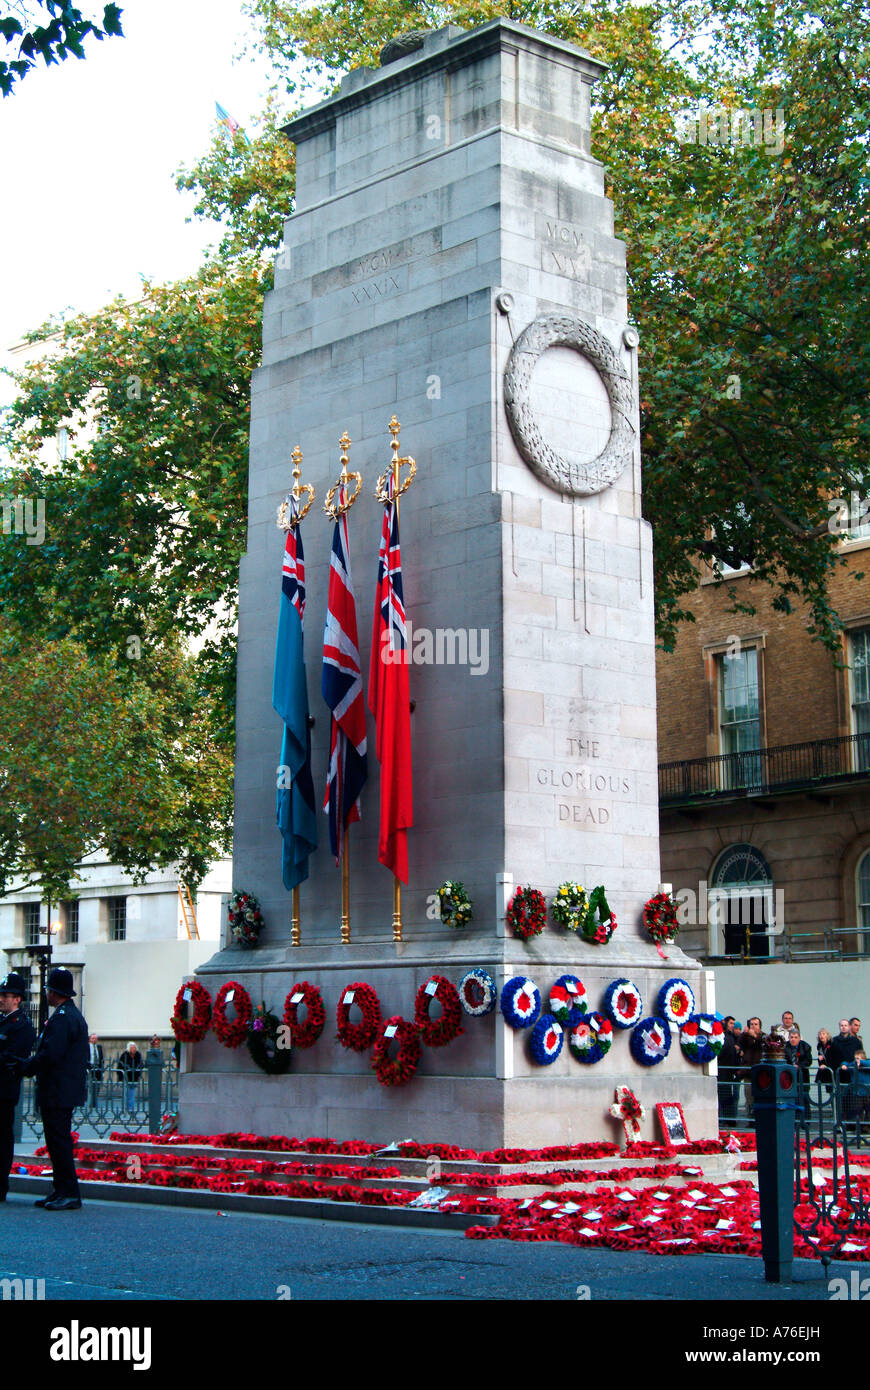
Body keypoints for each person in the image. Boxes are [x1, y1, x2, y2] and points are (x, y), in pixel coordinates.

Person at [21, 967, 88, 1211]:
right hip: (62, 1089)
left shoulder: (63, 1018)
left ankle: (69, 1192)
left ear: (55, 992)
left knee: (59, 1142)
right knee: (57, 1141)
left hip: (58, 1090)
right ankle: (61, 1189)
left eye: (48, 988)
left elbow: (50, 1053)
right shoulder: (69, 1014)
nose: (46, 992)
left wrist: (27, 1067)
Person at [0, 973, 35, 1203]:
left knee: (2, 1139)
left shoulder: (21, 1025)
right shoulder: (3, 1021)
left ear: (17, 999)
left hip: (3, 1090)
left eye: (5, 995)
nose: (1, 999)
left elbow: (13, 1058)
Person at [717, 1016, 742, 1121]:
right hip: (723, 1071)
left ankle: (729, 1120)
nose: (733, 1025)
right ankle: (726, 1120)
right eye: (731, 1023)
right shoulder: (722, 1037)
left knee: (729, 1097)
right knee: (724, 1096)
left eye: (733, 1023)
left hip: (730, 1072)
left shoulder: (731, 1037)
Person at [739, 1017, 764, 1114]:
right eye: (751, 1024)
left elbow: (761, 1044)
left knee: (760, 1098)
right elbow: (739, 1042)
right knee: (749, 1098)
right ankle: (750, 1120)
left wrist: (754, 1036)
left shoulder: (764, 1036)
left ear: (760, 1026)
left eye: (756, 1024)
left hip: (761, 1073)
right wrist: (745, 1034)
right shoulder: (746, 1037)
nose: (753, 1026)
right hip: (748, 1072)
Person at [117, 1041, 143, 1112]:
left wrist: (138, 1070)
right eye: (132, 1048)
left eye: (134, 1047)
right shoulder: (124, 1055)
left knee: (132, 1094)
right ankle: (125, 1108)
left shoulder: (138, 1054)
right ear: (129, 1048)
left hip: (134, 1077)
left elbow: (141, 1064)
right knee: (126, 1094)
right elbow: (120, 1066)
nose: (133, 1049)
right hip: (126, 1077)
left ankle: (130, 1109)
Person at [86, 1033, 104, 1111]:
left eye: (95, 1038)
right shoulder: (86, 1047)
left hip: (97, 1069)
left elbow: (101, 1058)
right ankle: (89, 1103)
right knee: (89, 1086)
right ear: (89, 1039)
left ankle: (94, 1103)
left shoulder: (99, 1047)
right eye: (92, 1038)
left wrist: (102, 1068)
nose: (94, 1040)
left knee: (97, 1086)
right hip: (90, 1068)